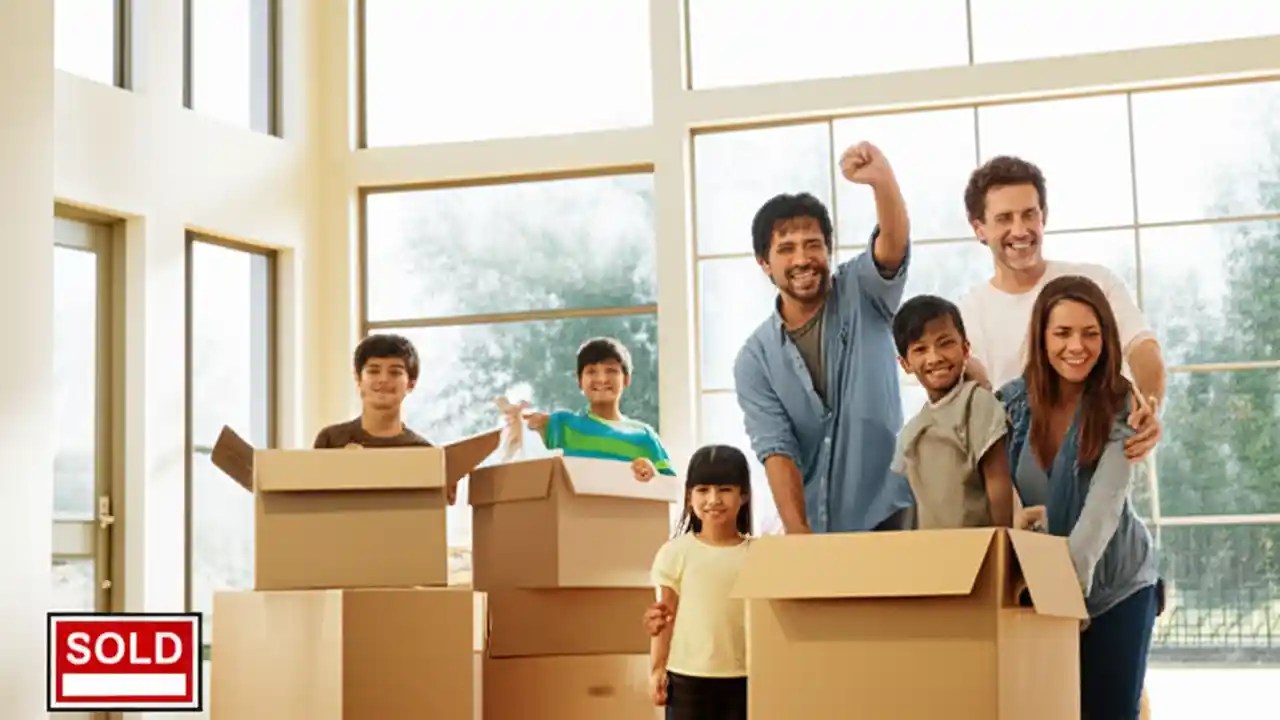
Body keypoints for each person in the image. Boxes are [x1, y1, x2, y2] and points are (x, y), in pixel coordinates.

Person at [998, 275, 1159, 718]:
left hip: (1115, 587)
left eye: (1091, 334)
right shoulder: (1009, 405)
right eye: (1062, 333)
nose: (1077, 347)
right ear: (1041, 337)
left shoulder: (1121, 404)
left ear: (1106, 338)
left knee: (1106, 710)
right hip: (1042, 592)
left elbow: (1103, 509)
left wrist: (1064, 595)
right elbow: (992, 489)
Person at [733, 141, 913, 534]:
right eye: (786, 249)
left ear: (828, 249)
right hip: (813, 527)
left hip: (891, 515)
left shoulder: (862, 291)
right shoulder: (754, 359)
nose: (802, 259)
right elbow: (776, 449)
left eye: (813, 245)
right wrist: (801, 538)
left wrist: (881, 181)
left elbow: (892, 246)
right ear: (765, 263)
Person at [957, 155, 1165, 461]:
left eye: (1029, 214)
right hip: (1017, 479)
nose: (1020, 230)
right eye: (1004, 219)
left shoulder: (1096, 282)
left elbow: (1142, 347)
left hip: (1098, 462)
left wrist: (1149, 404)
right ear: (979, 228)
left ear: (1044, 216)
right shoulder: (967, 315)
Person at [645, 444, 753, 720]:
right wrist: (657, 668)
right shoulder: (675, 553)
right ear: (688, 496)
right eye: (703, 490)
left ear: (744, 496)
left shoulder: (759, 554)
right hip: (687, 680)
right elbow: (664, 618)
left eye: (725, 489)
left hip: (747, 678)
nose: (713, 499)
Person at [890, 294, 1014, 529]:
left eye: (945, 343)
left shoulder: (977, 403)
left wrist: (1003, 545)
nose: (935, 357)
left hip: (980, 547)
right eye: (920, 349)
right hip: (934, 553)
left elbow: (998, 483)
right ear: (905, 364)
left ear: (965, 349)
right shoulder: (912, 432)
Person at [505, 337, 674, 481]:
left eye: (611, 371)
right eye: (591, 371)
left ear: (626, 379)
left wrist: (652, 474)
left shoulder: (644, 436)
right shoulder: (562, 425)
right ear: (579, 381)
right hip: (572, 518)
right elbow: (529, 450)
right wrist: (518, 422)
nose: (601, 379)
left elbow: (670, 487)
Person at [314, 333, 432, 449]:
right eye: (373, 371)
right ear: (358, 379)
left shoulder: (421, 449)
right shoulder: (331, 440)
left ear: (411, 383)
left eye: (395, 372)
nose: (383, 379)